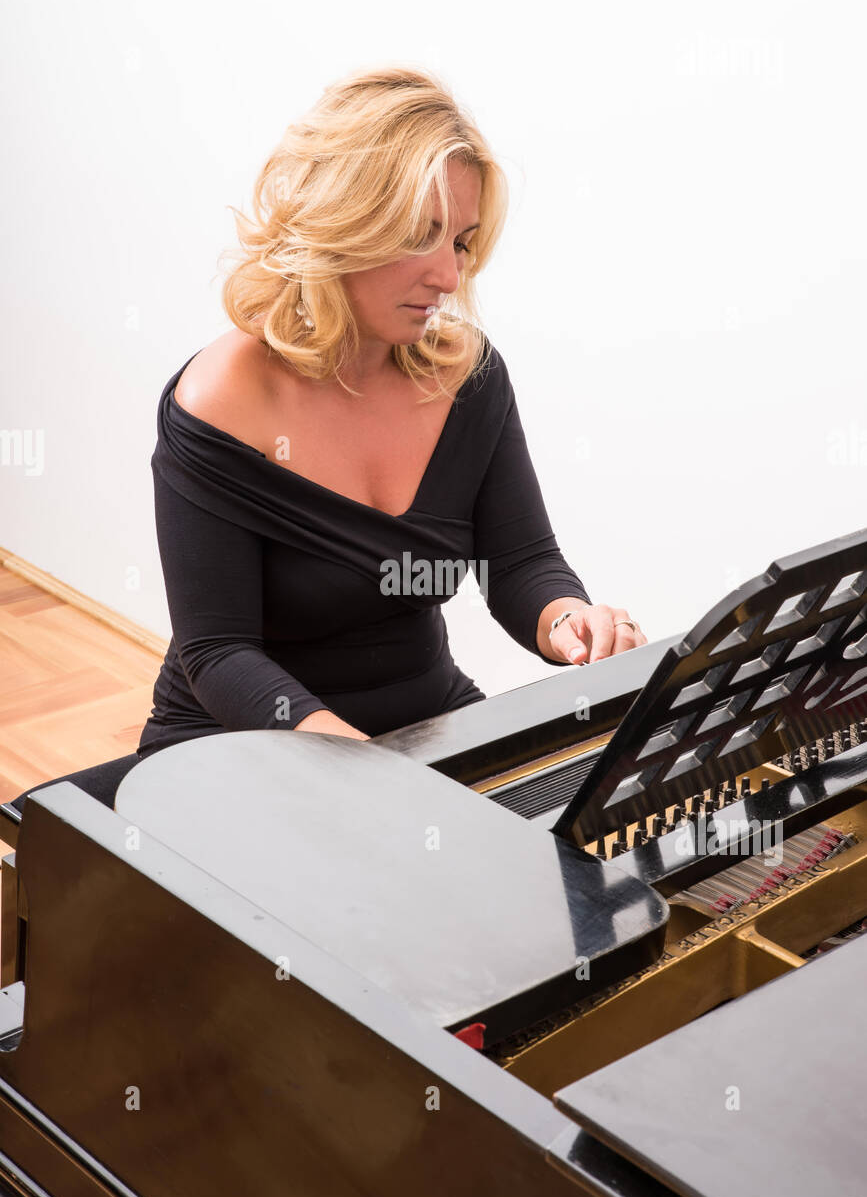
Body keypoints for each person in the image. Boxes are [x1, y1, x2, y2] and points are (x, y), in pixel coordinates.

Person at [136, 64, 647, 760]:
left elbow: (521, 563)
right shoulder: (221, 397)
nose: (448, 276)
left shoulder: (467, 374)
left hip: (424, 723)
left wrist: (569, 622)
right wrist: (368, 773)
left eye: (461, 241)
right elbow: (220, 654)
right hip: (242, 747)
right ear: (342, 222)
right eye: (418, 234)